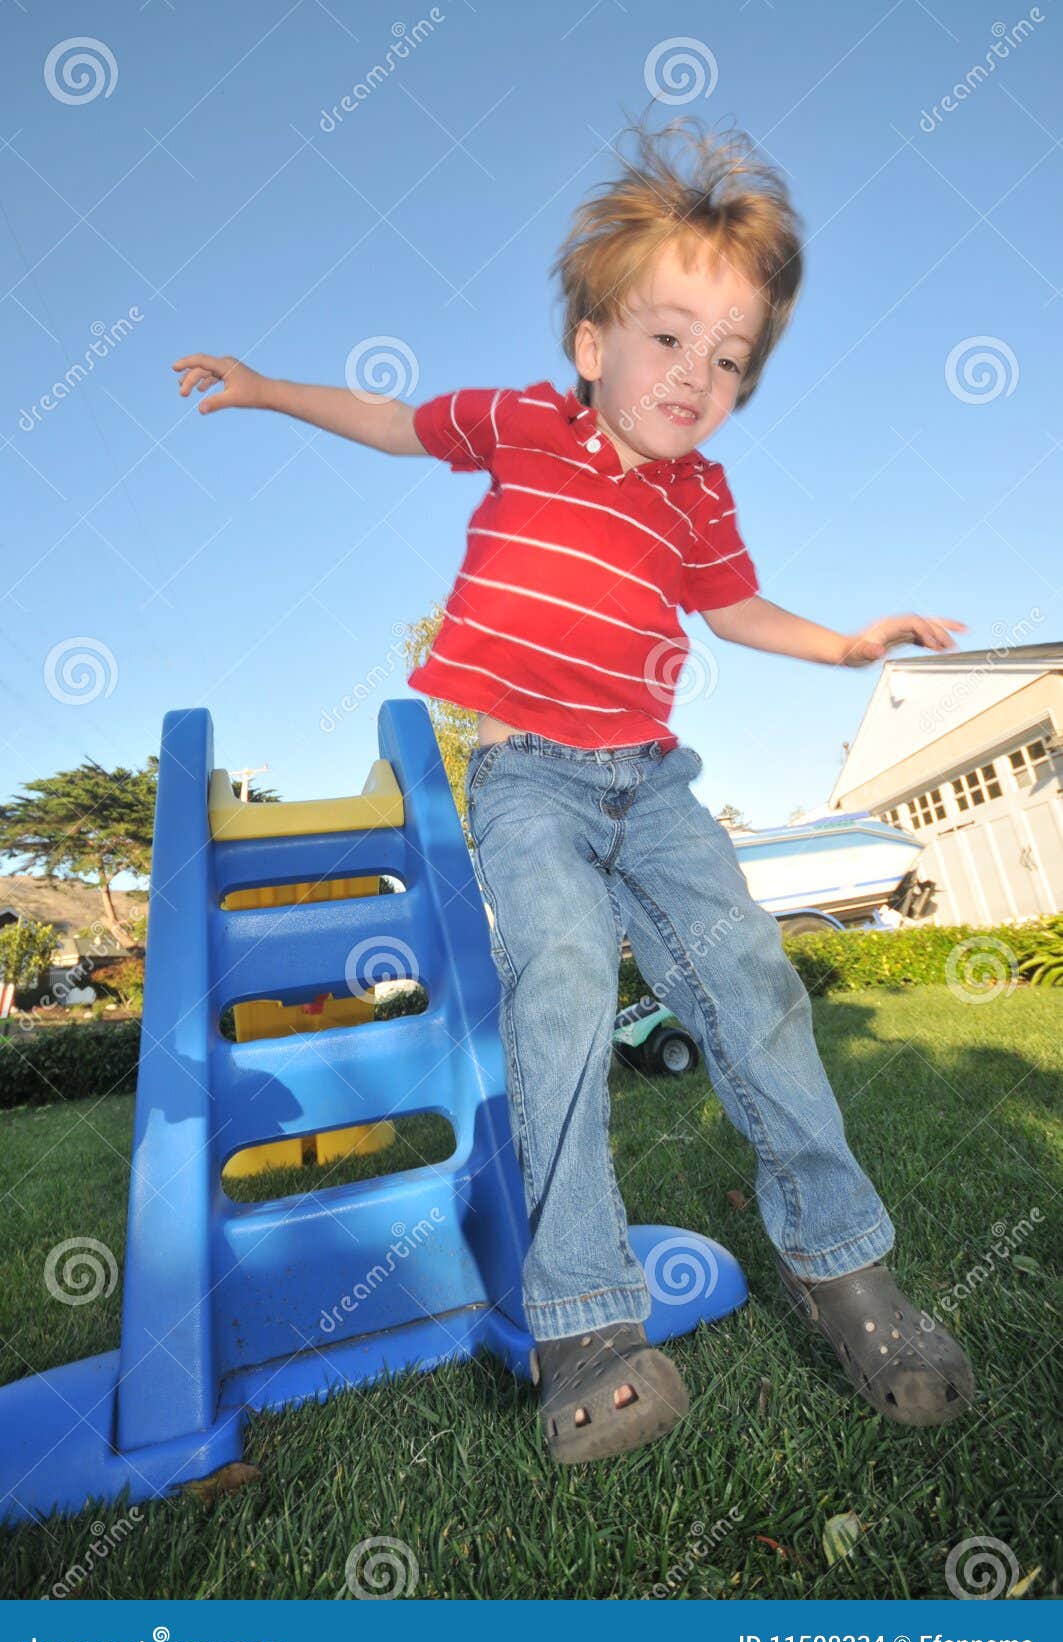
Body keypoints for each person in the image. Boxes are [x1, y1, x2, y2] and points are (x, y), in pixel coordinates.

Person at [173, 116, 975, 1466]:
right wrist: (264, 387)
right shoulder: (521, 425)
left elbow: (735, 611)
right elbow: (389, 418)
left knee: (759, 988)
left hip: (653, 783)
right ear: (594, 343)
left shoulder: (700, 497)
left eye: (728, 359)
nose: (697, 376)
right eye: (670, 339)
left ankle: (851, 1276)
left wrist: (844, 645)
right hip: (529, 776)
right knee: (555, 984)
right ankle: (589, 1324)